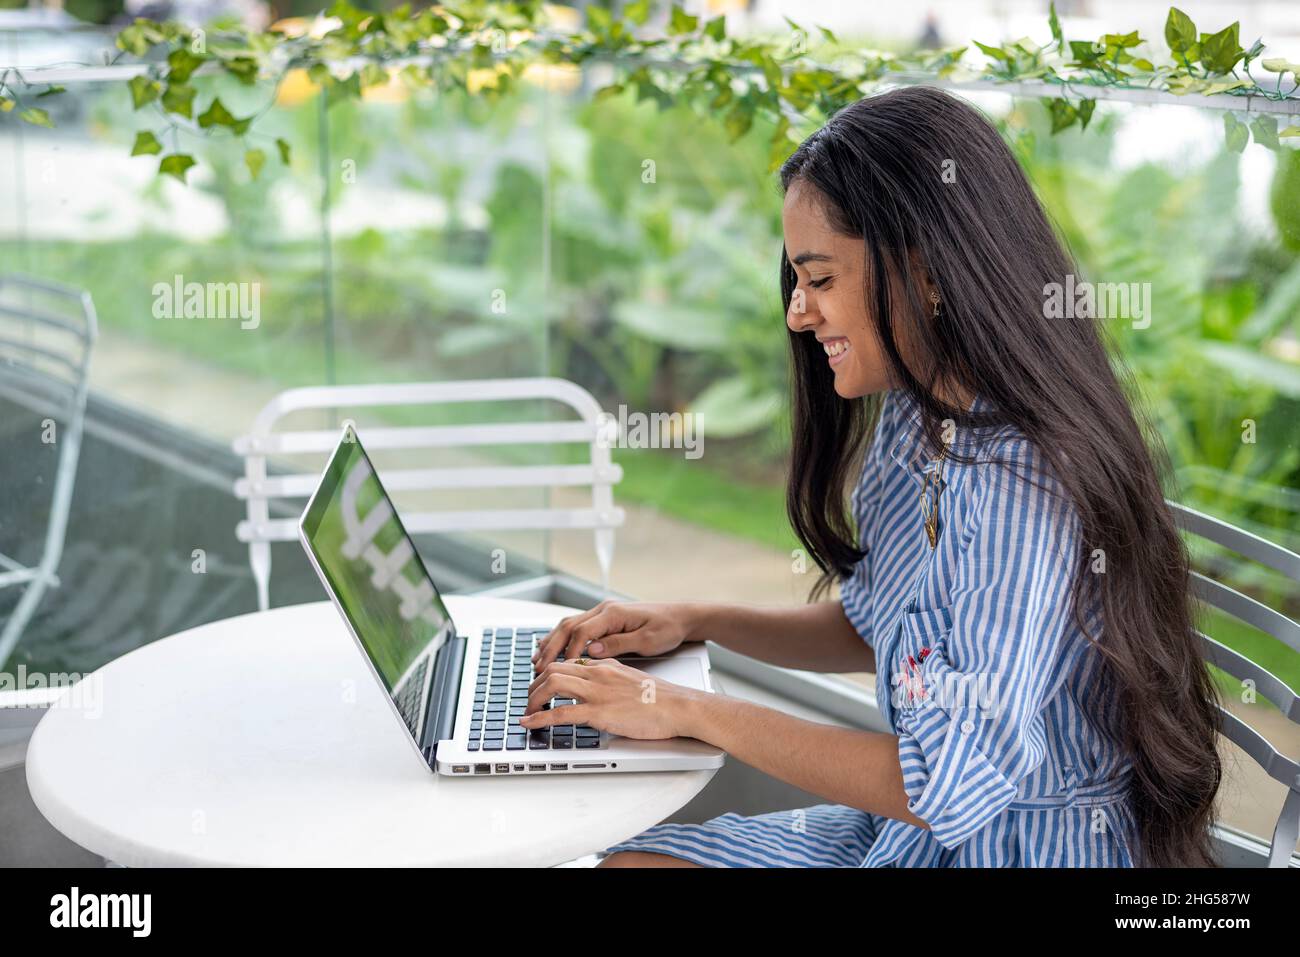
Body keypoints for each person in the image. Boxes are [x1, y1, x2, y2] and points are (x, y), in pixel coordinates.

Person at [522, 87, 1223, 868]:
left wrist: (685, 707)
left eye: (819, 280)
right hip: (915, 835)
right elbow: (881, 624)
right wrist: (693, 619)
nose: (796, 312)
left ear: (925, 273)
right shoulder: (920, 416)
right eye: (797, 280)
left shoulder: (1022, 485)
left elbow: (945, 783)